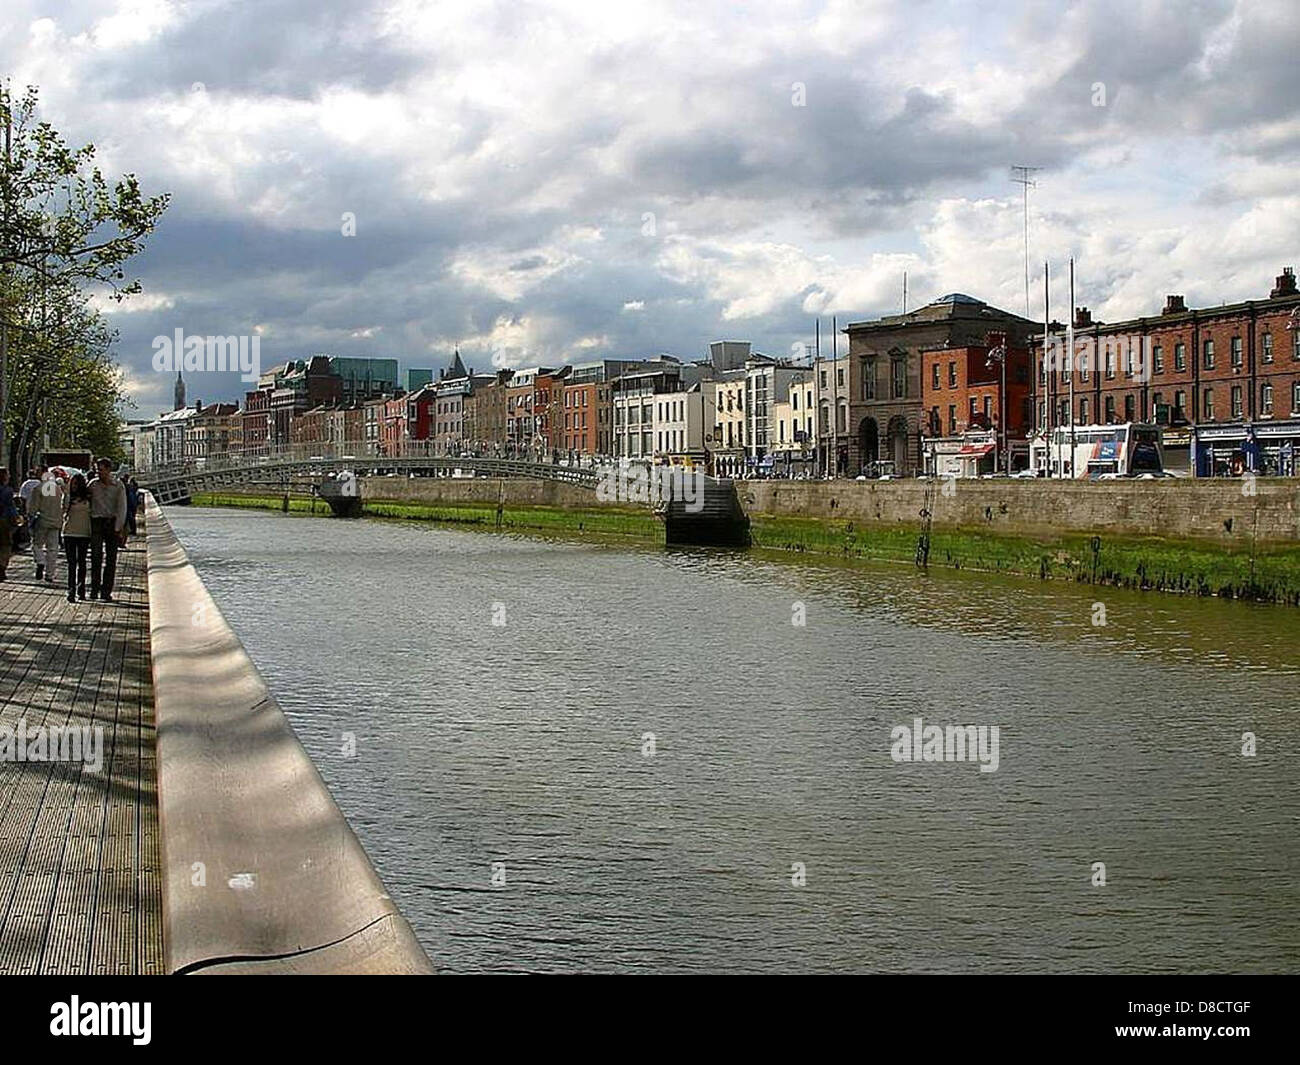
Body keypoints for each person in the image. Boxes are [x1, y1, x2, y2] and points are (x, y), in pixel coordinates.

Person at [87, 458, 127, 602]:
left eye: (102, 470)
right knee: (96, 556)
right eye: (98, 470)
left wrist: (118, 527)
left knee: (111, 559)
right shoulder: (93, 485)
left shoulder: (118, 486)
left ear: (109, 470)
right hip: (96, 521)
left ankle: (106, 591)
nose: (99, 473)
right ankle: (94, 589)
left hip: (111, 523)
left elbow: (122, 507)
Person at [31, 468, 65, 584]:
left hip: (42, 520)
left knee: (37, 544)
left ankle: (40, 561)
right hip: (56, 521)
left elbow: (33, 507)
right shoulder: (57, 489)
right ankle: (49, 574)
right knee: (53, 549)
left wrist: (30, 516)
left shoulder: (38, 488)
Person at [63, 473, 91, 603]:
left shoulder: (89, 498)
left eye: (75, 484)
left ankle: (81, 588)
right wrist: (67, 495)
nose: (73, 486)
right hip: (69, 533)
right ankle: (71, 589)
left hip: (84, 533)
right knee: (71, 563)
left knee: (82, 562)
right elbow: (63, 510)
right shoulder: (68, 497)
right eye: (72, 483)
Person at [0, 469, 16, 582]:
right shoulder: (8, 490)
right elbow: (10, 507)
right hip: (3, 520)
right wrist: (15, 519)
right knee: (5, 545)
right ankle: (1, 568)